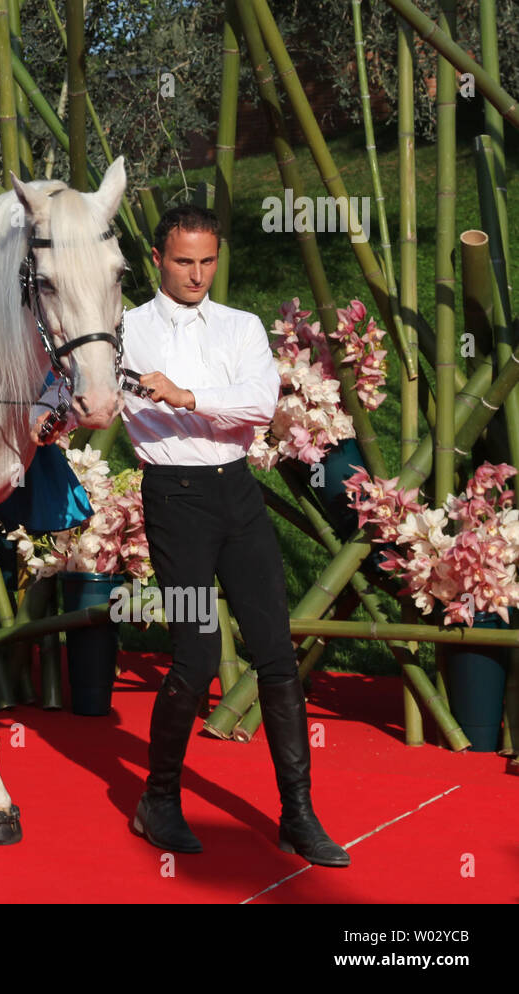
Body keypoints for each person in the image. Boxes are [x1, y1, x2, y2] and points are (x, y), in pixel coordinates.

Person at [119, 204, 349, 867]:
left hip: (239, 496)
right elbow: (129, 402)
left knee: (277, 655)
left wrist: (188, 397)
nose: (197, 274)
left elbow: (261, 406)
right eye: (184, 260)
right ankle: (157, 799)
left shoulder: (243, 325)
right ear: (159, 259)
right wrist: (200, 398)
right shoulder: (126, 331)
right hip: (175, 501)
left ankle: (298, 816)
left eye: (208, 260)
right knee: (195, 656)